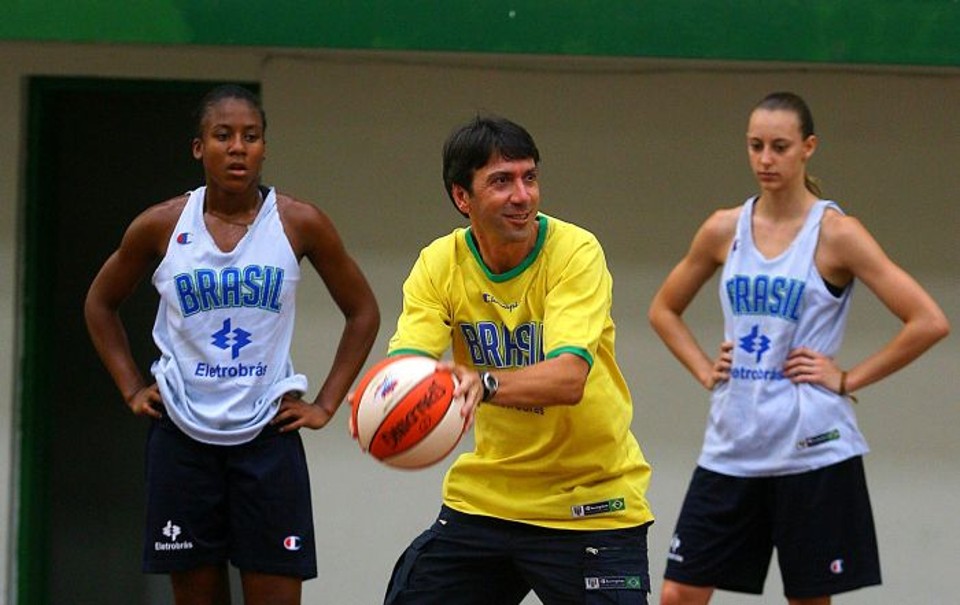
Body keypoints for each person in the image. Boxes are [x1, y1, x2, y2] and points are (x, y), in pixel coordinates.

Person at [648, 91, 950, 605]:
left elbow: (928, 320)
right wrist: (704, 368)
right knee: (680, 592)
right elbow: (663, 309)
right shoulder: (725, 228)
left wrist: (848, 378)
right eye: (756, 146)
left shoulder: (836, 234)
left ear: (808, 147)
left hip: (811, 448)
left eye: (780, 147)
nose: (766, 159)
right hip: (733, 443)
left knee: (808, 598)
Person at [84, 84, 380, 605]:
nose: (238, 147)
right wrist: (131, 387)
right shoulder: (162, 224)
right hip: (181, 438)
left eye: (251, 136)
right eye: (223, 135)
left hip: (266, 437)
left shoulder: (298, 222)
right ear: (199, 147)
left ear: (265, 147)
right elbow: (99, 304)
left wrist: (327, 404)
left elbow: (363, 312)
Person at [369, 115, 655, 604]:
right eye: (501, 182)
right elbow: (410, 366)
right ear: (463, 197)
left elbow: (569, 378)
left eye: (530, 177)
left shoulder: (575, 252)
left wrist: (483, 383)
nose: (522, 195)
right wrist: (383, 398)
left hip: (589, 501)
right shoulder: (439, 262)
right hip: (487, 499)